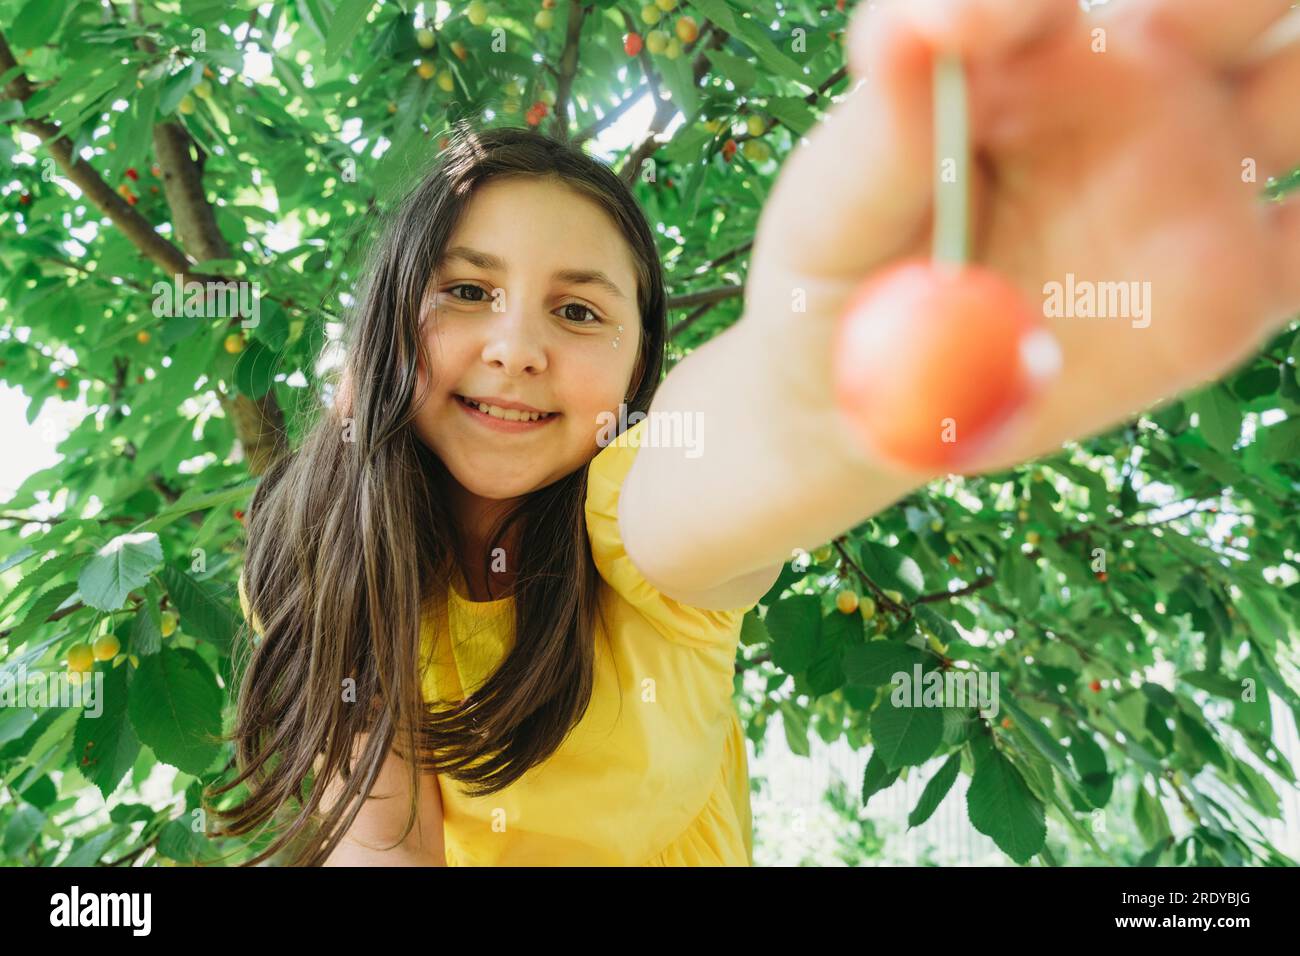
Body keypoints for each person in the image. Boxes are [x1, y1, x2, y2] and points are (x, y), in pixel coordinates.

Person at [211, 0, 1300, 866]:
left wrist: (841, 368)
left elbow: (747, 442)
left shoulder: (634, 531)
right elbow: (379, 841)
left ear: (641, 373)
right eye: (465, 290)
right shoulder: (319, 548)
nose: (517, 346)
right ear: (387, 317)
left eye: (580, 309)